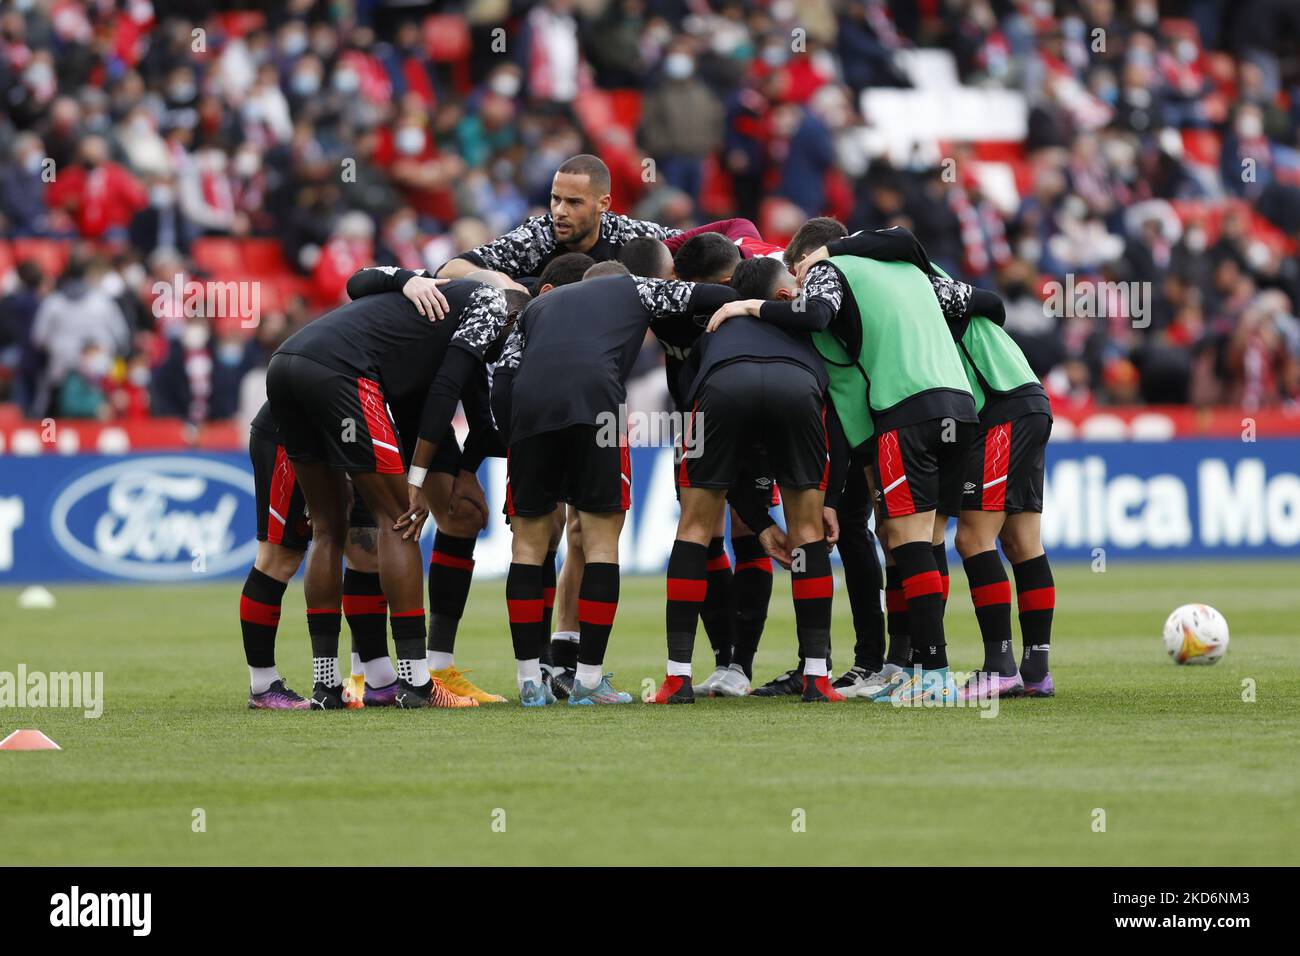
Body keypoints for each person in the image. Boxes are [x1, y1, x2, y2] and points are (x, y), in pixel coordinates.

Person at [711, 223, 979, 706]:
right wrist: (838, 493)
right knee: (929, 538)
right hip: (961, 406)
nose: (800, 279)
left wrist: (748, 305)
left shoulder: (829, 270)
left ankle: (934, 671)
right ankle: (909, 666)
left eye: (798, 268)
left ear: (802, 259)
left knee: (904, 538)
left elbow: (814, 315)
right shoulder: (907, 272)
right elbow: (913, 244)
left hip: (906, 409)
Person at [808, 226, 1057, 699]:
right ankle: (1035, 671)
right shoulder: (917, 282)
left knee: (968, 537)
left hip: (997, 404)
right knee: (1021, 540)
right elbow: (993, 304)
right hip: (1020, 398)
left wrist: (831, 252)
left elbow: (907, 243)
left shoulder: (908, 284)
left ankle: (997, 666)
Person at [265, 274, 520, 709]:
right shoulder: (493, 305)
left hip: (286, 363)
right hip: (340, 371)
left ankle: (326, 684)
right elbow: (443, 392)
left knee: (328, 528)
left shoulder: (432, 316)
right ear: (514, 318)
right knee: (399, 520)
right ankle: (417, 683)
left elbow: (361, 284)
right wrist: (416, 479)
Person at [493, 254, 738, 706]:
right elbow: (715, 293)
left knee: (528, 546)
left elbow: (504, 378)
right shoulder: (637, 289)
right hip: (596, 407)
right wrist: (745, 304)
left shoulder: (536, 307)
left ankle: (530, 681)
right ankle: (587, 681)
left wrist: (517, 443)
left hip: (529, 412)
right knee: (601, 544)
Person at [653, 255, 847, 704]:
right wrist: (829, 498)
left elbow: (704, 431)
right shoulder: (807, 327)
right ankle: (817, 677)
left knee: (695, 529)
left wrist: (758, 523)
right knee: (807, 533)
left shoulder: (712, 330)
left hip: (722, 385)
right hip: (798, 388)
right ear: (781, 293)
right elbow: (835, 421)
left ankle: (676, 678)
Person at [435, 153, 682, 282]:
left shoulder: (625, 234)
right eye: (556, 199)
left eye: (574, 202)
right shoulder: (536, 237)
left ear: (603, 204)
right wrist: (502, 281)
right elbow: (450, 269)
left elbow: (693, 242)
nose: (560, 211)